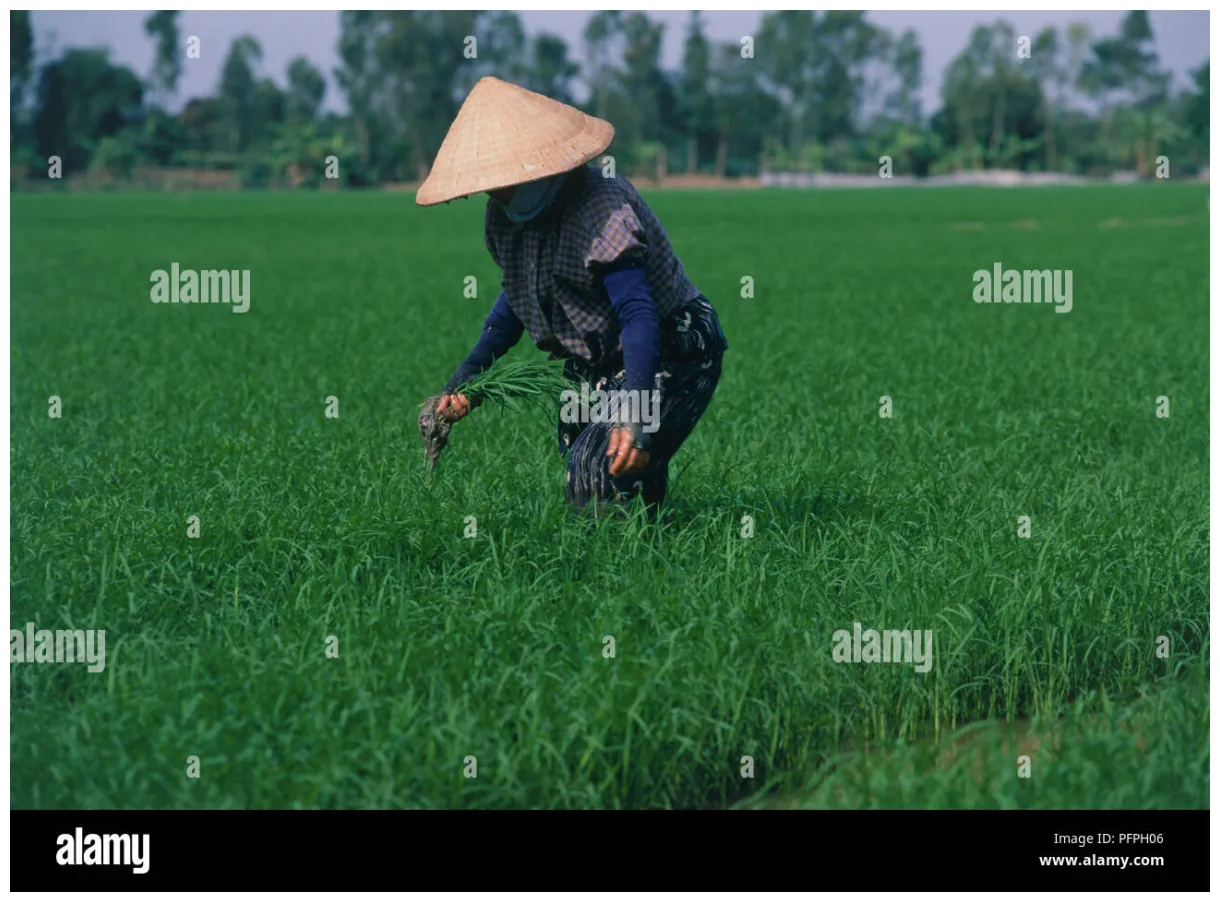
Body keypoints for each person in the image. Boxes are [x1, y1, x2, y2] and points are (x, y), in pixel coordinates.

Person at [417, 77, 727, 510]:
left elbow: (638, 315)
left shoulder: (600, 206)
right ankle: (643, 546)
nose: (495, 193)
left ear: (542, 167)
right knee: (582, 453)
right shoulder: (505, 218)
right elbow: (514, 308)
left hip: (670, 348)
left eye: (504, 181)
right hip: (594, 360)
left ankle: (619, 562)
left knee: (596, 466)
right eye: (490, 185)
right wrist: (465, 384)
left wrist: (636, 411)